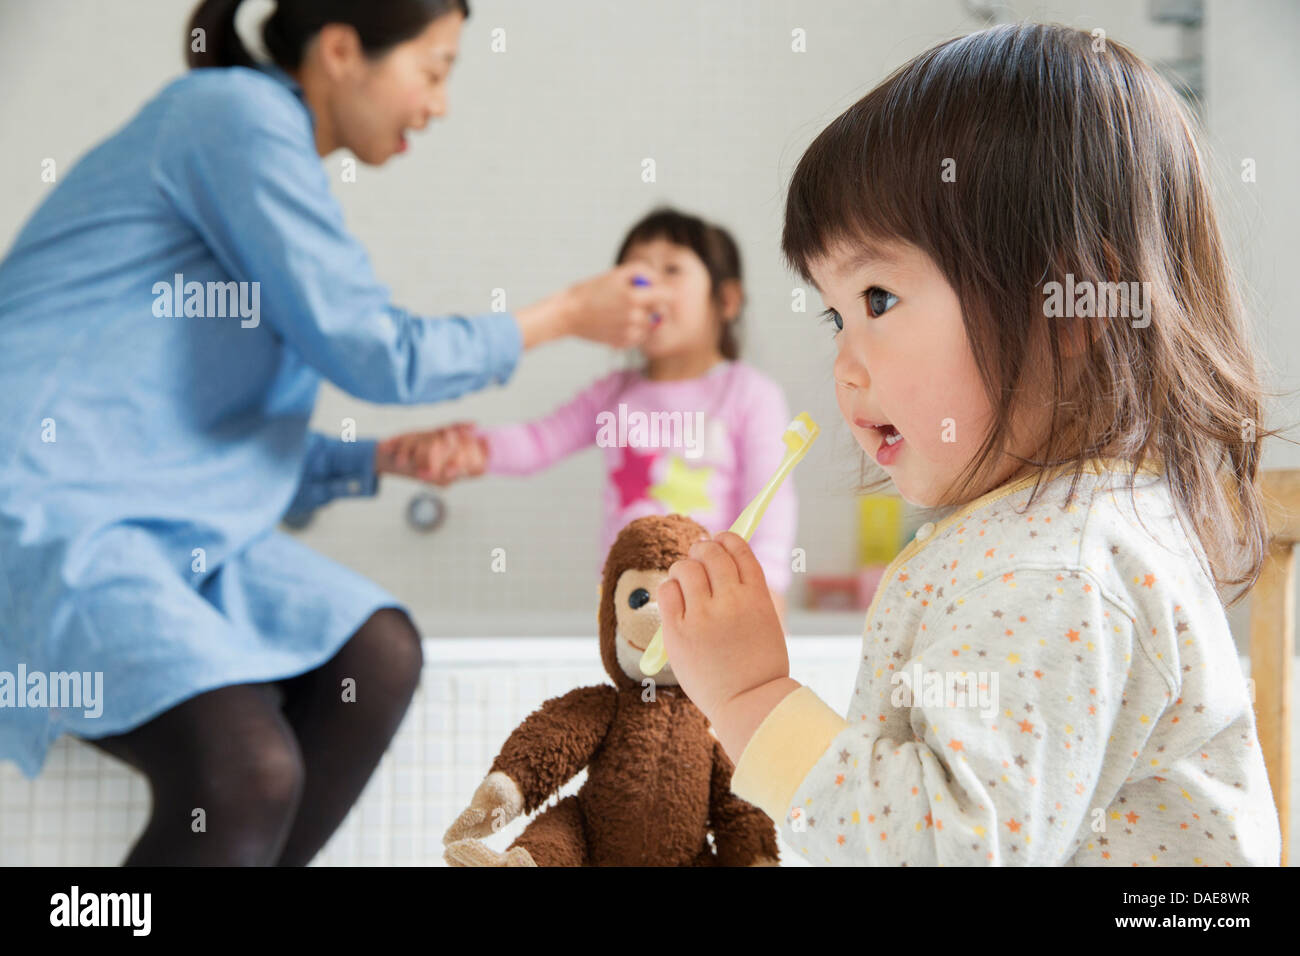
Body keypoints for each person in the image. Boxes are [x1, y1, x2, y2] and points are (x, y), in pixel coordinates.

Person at [0, 0, 667, 866]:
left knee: (377, 651)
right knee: (247, 771)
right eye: (433, 70)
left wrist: (374, 461)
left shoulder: (269, 168)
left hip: (163, 528)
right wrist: (569, 314)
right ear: (343, 50)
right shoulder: (231, 117)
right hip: (51, 510)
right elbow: (375, 351)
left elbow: (196, 445)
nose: (439, 105)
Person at [656, 23, 1284, 865]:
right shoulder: (1052, 535)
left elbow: (947, 850)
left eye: (878, 299)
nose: (844, 366)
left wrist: (750, 696)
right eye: (834, 314)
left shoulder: (1054, 569)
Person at [378, 207, 798, 623]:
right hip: (626, 606)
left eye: (672, 269)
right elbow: (538, 442)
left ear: (725, 300)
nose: (648, 283)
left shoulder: (749, 394)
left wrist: (768, 589)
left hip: (715, 605)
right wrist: (471, 449)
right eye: (636, 271)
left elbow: (769, 503)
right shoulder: (613, 395)